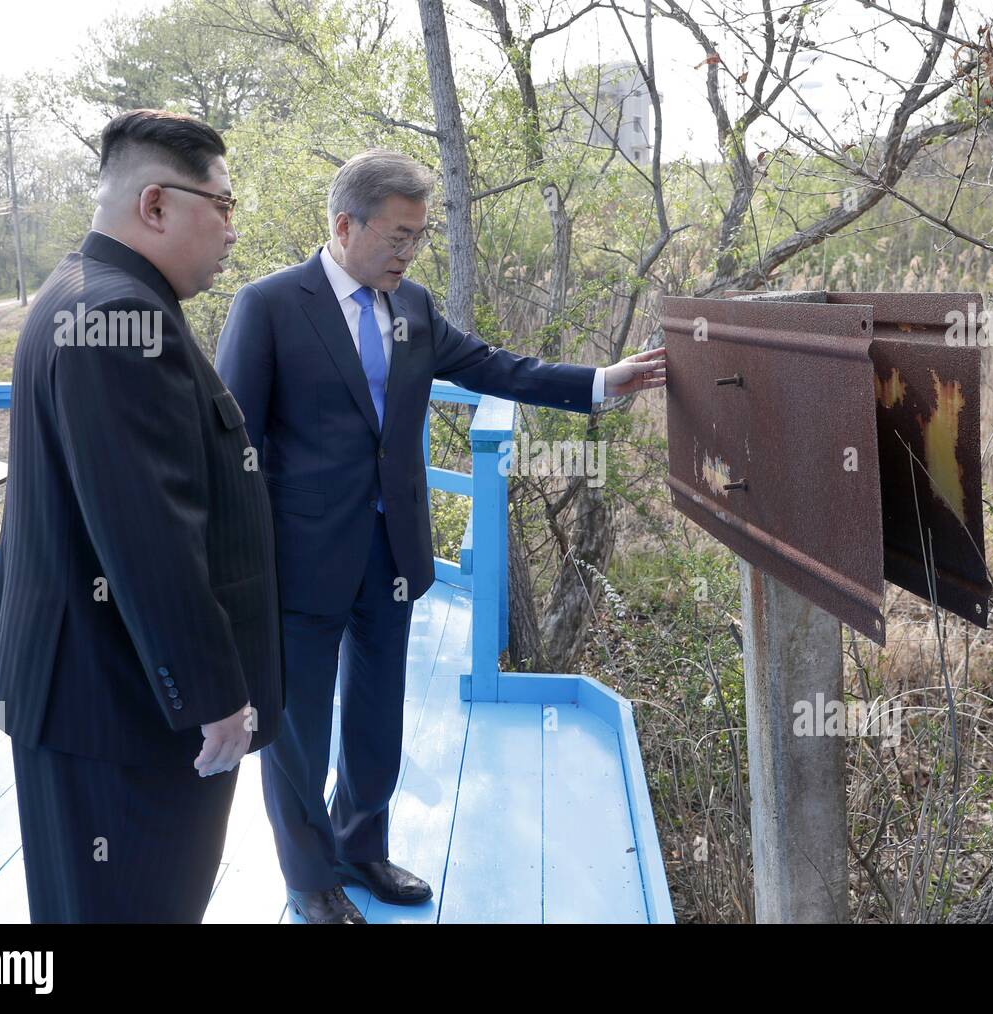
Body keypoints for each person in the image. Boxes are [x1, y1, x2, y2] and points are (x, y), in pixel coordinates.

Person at [215, 147, 665, 924]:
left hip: (392, 555)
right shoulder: (269, 305)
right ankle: (308, 876)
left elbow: (494, 367)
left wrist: (598, 383)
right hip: (300, 563)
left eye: (419, 236)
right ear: (344, 224)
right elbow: (235, 449)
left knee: (376, 718)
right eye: (397, 235)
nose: (408, 251)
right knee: (298, 730)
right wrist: (245, 573)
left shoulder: (413, 306)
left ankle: (362, 847)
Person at [0, 109, 284, 923]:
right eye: (221, 205)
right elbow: (150, 534)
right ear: (155, 205)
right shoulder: (123, 320)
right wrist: (216, 695)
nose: (231, 230)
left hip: (82, 689)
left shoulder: (84, 291)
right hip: (125, 708)